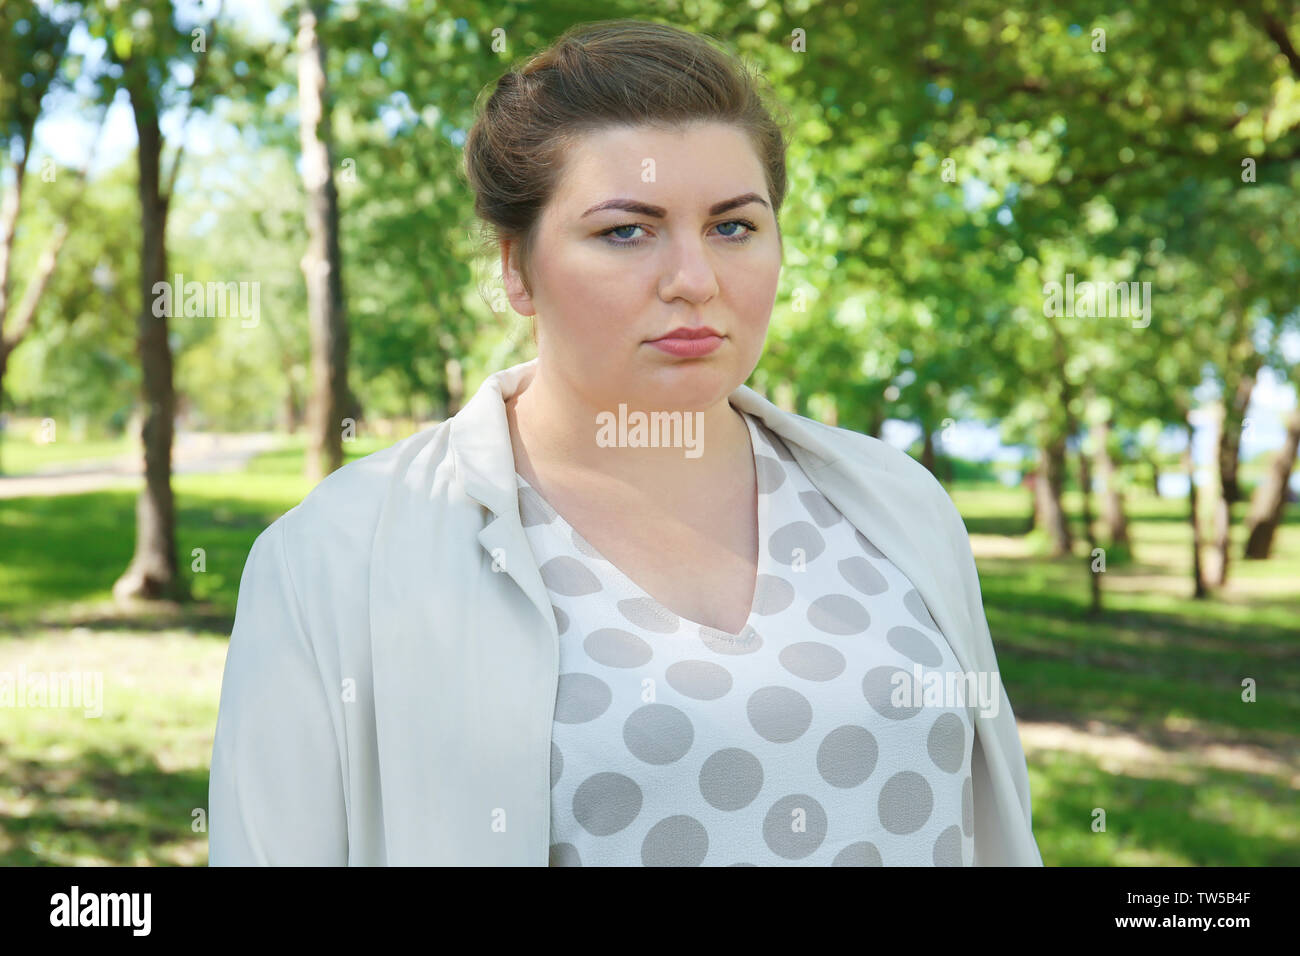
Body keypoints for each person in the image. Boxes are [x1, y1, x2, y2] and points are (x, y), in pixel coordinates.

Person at [209, 18, 1043, 867]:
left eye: (733, 227)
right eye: (625, 231)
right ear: (516, 269)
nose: (694, 280)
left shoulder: (896, 505)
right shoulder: (337, 558)